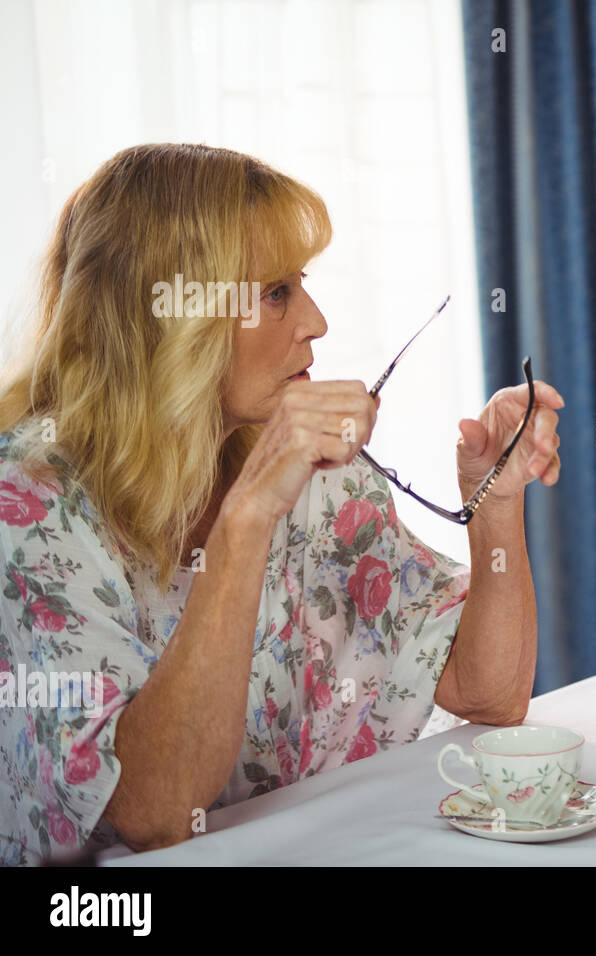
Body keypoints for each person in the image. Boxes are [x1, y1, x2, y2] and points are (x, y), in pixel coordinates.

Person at [0, 143, 563, 865]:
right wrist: (245, 520)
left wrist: (495, 500)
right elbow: (155, 812)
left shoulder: (321, 477)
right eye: (276, 293)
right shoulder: (27, 511)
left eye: (302, 283)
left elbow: (488, 696)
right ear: (173, 316)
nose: (318, 321)